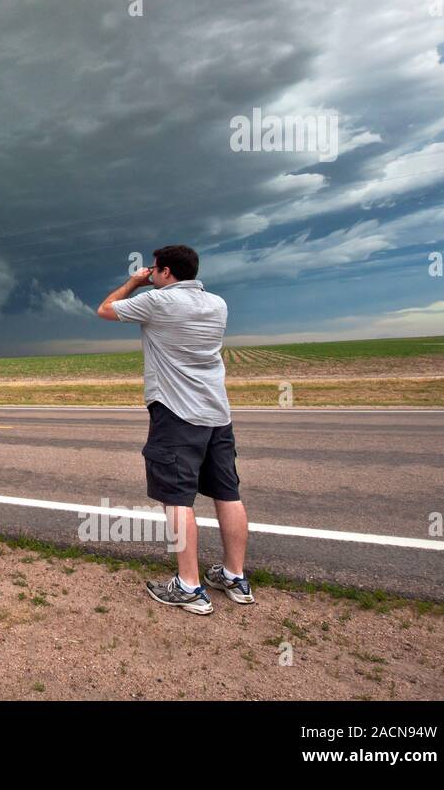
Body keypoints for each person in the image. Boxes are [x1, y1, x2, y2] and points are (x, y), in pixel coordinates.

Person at [97, 244, 254, 615]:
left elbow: (105, 309)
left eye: (154, 268)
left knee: (177, 498)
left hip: (176, 412)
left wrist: (134, 282)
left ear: (165, 272)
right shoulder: (218, 305)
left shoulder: (158, 302)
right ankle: (235, 576)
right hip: (217, 413)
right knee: (227, 493)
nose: (150, 272)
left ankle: (189, 585)